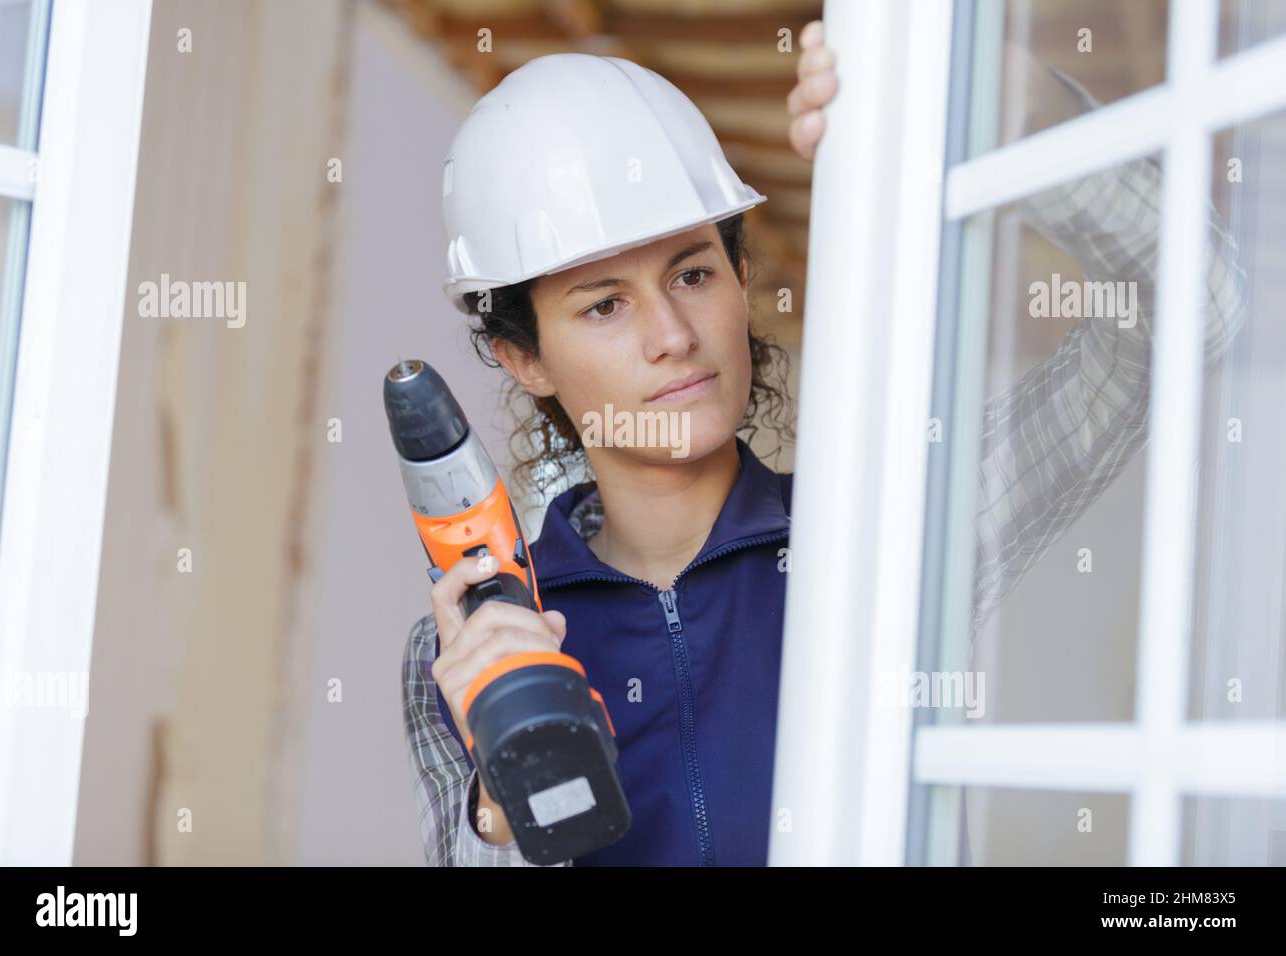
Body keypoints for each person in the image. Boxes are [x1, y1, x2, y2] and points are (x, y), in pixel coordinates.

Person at [402, 21, 1246, 866]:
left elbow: (1194, 305)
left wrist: (1024, 109)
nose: (671, 335)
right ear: (525, 358)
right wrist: (504, 802)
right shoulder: (463, 650)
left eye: (693, 273)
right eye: (604, 305)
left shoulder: (892, 536)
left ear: (739, 282)